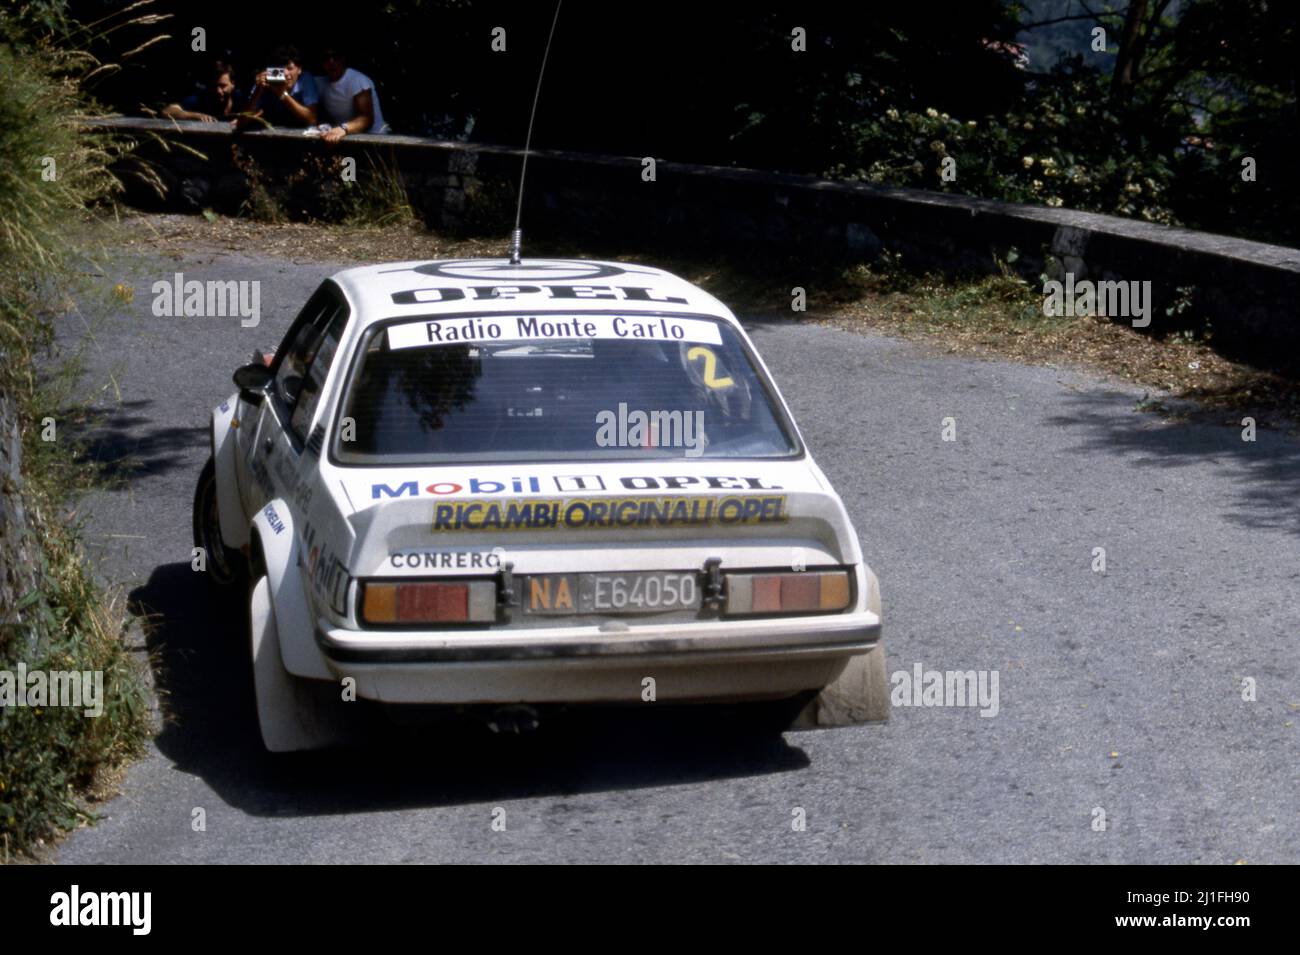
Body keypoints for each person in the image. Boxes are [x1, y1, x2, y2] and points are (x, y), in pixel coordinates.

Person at [316, 45, 389, 142]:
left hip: (376, 139)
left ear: (343, 59)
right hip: (346, 138)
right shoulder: (319, 83)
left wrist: (343, 129)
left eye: (335, 57)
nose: (331, 61)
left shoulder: (357, 80)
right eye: (326, 58)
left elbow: (366, 119)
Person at [238, 45, 318, 128]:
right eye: (280, 69)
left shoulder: (305, 79)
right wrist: (258, 91)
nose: (285, 74)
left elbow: (312, 119)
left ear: (299, 69)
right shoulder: (266, 78)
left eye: (290, 68)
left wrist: (282, 94)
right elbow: (242, 122)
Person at [162, 59, 244, 122]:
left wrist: (243, 121)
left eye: (223, 86)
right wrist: (196, 116)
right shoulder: (201, 97)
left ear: (233, 84)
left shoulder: (240, 98)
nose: (218, 91)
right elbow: (167, 111)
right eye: (214, 86)